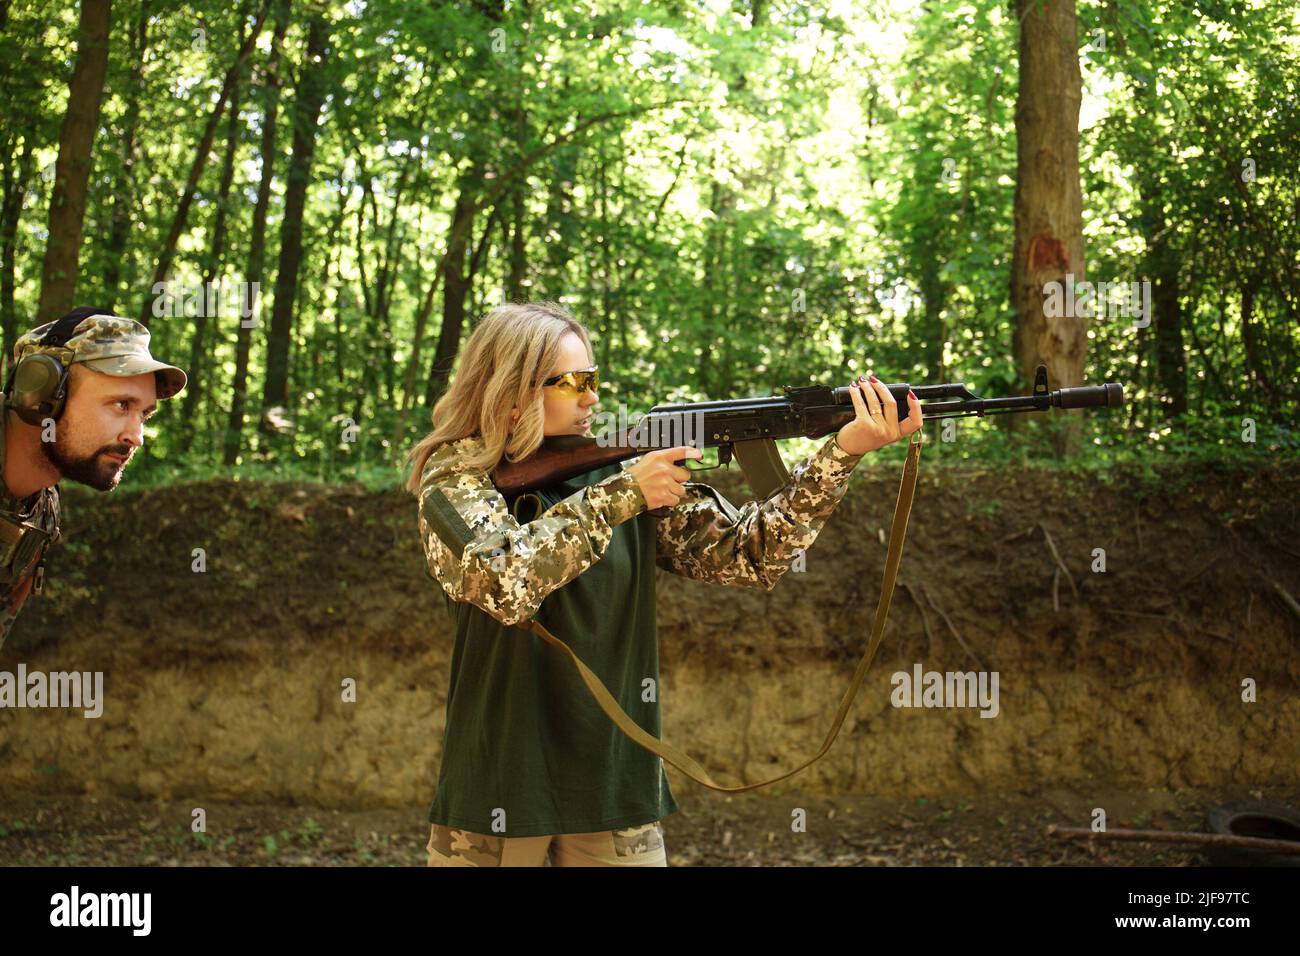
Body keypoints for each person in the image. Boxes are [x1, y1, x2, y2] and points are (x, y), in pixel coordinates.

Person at [407, 301, 921, 867]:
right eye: (572, 382)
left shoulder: (614, 468)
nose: (592, 398)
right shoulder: (457, 478)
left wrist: (842, 452)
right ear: (510, 391)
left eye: (593, 379)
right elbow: (506, 580)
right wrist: (625, 494)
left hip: (616, 782)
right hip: (500, 787)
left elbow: (751, 555)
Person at [0, 307, 187, 652]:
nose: (137, 436)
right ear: (41, 396)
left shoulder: (41, 510)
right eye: (121, 405)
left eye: (144, 414)